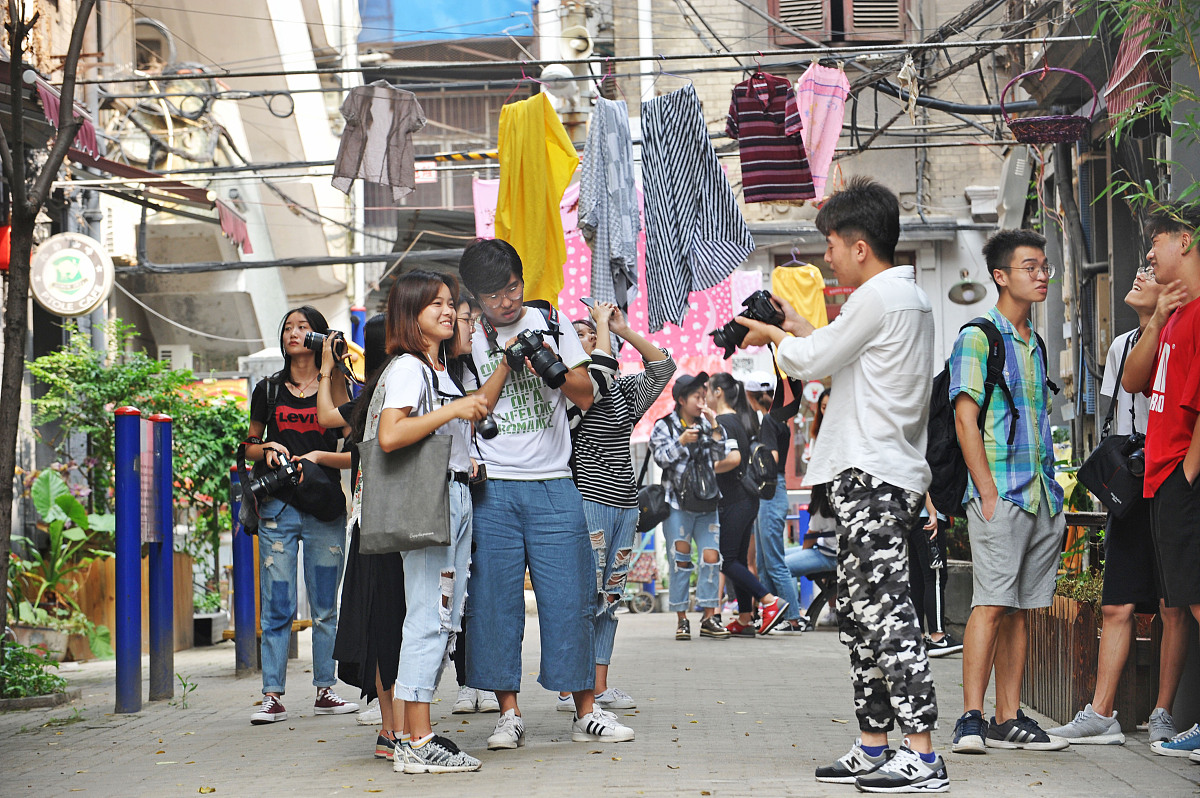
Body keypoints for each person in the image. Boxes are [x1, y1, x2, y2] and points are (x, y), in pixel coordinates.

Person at [736, 177, 947, 792]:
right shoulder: (895, 298)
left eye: (830, 243)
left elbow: (809, 362)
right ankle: (875, 745)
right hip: (870, 473)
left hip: (876, 477)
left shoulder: (881, 298)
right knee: (860, 615)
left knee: (885, 615)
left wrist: (775, 336)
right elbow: (832, 351)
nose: (825, 255)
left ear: (859, 246)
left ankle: (924, 754)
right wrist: (799, 325)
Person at [459, 238, 635, 751]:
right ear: (478, 298)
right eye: (494, 296)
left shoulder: (551, 323)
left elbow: (588, 394)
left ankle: (585, 710)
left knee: (572, 598)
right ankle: (507, 713)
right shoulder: (468, 340)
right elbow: (470, 407)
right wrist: (505, 365)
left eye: (512, 287)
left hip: (557, 482)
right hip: (494, 487)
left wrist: (552, 365)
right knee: (494, 604)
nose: (507, 301)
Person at [1047, 264, 1186, 745]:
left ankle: (1163, 711)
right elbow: (1126, 391)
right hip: (1134, 480)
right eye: (1140, 267)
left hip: (1172, 477)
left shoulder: (1184, 334)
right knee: (1117, 603)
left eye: (1151, 269)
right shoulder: (1124, 344)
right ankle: (1102, 711)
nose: (1140, 273)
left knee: (1173, 606)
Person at [360, 270, 490, 773]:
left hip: (453, 496)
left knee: (442, 619)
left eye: (449, 302)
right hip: (433, 501)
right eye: (434, 303)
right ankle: (414, 740)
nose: (447, 310)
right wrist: (454, 409)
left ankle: (420, 733)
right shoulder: (410, 368)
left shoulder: (436, 371)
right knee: (427, 618)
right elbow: (391, 436)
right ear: (409, 314)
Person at [947, 229, 1068, 756]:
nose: (1042, 275)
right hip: (1001, 492)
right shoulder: (979, 336)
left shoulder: (1035, 344)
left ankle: (1009, 716)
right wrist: (987, 491)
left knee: (1019, 607)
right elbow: (965, 420)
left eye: (1045, 267)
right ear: (1001, 275)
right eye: (1030, 267)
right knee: (991, 603)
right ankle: (970, 717)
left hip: (1040, 492)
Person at [552, 302, 675, 712]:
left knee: (610, 597)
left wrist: (622, 327)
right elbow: (595, 376)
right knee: (585, 596)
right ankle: (575, 687)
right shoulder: (569, 391)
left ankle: (599, 687)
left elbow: (662, 368)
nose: (591, 334)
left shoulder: (623, 392)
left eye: (593, 330)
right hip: (587, 500)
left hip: (625, 504)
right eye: (583, 332)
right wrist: (601, 326)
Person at [244, 306, 357, 725]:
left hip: (325, 504)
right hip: (278, 506)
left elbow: (354, 452)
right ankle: (272, 694)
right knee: (277, 604)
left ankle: (325, 690)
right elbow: (250, 445)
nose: (294, 333)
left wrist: (315, 457)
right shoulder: (269, 389)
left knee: (326, 605)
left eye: (304, 328)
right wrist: (268, 450)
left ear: (319, 337)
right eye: (288, 327)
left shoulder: (338, 388)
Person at [1119, 202, 1200, 759]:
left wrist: (1186, 477)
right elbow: (1134, 380)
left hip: (1178, 476)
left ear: (1187, 240)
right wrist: (1154, 318)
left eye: (1158, 242)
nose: (1149, 254)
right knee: (1186, 600)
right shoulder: (1174, 312)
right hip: (1163, 476)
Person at [315, 315, 404, 756]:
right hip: (393, 523)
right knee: (393, 625)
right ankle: (397, 728)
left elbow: (329, 414)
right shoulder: (393, 391)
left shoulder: (373, 396)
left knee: (379, 623)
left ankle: (394, 727)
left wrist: (330, 368)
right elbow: (331, 414)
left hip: (371, 522)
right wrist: (332, 370)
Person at [708, 372, 790, 637]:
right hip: (748, 498)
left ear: (718, 392)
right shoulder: (740, 420)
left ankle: (768, 600)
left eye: (708, 390)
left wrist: (708, 469)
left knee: (726, 560)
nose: (706, 396)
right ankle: (745, 618)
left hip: (734, 500)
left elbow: (731, 460)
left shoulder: (723, 422)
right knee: (739, 558)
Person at [651, 374, 731, 641]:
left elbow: (723, 456)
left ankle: (709, 617)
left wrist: (715, 426)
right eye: (696, 397)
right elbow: (661, 458)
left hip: (708, 502)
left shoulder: (709, 424)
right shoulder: (665, 426)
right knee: (681, 562)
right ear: (682, 399)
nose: (701, 402)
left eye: (703, 396)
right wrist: (682, 441)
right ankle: (681, 618)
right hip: (677, 504)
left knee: (711, 558)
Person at [744, 372, 806, 634]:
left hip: (771, 490)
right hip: (771, 491)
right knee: (764, 559)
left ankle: (793, 618)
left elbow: (771, 459)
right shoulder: (776, 418)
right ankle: (776, 616)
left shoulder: (769, 421)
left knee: (774, 559)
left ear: (750, 395)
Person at [784, 389, 837, 623]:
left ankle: (791, 617)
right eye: (822, 407)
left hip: (830, 550)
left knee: (780, 566)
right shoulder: (821, 493)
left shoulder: (825, 493)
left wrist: (807, 550)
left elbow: (813, 534)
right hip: (829, 547)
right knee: (779, 559)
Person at [908, 497, 961, 657]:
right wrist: (933, 512)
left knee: (918, 580)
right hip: (928, 517)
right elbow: (926, 480)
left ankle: (918, 638)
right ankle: (938, 636)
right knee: (935, 578)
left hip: (913, 517)